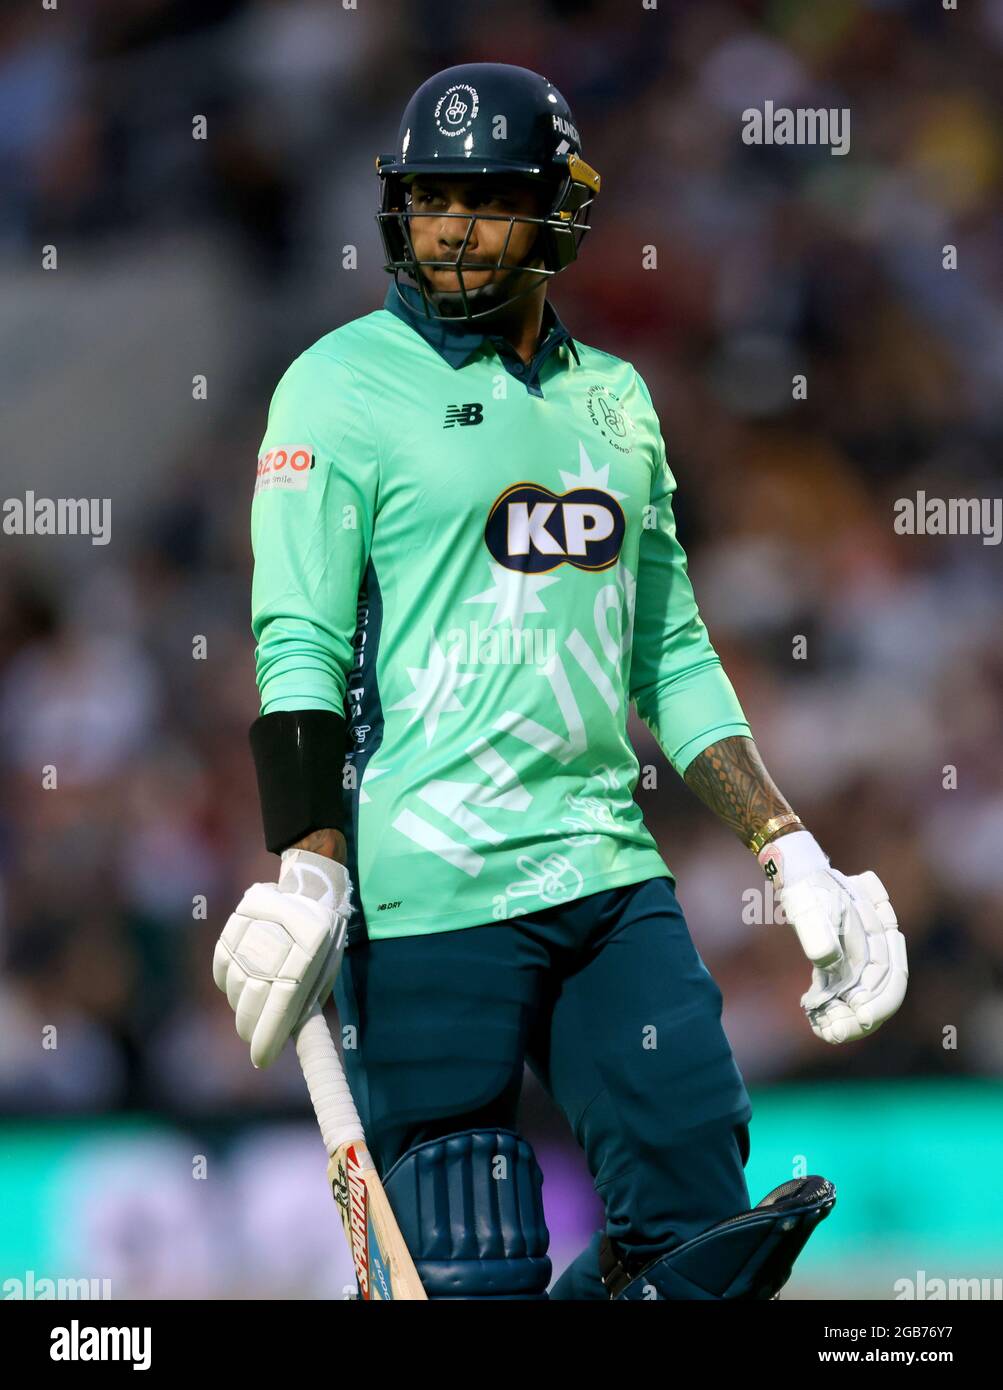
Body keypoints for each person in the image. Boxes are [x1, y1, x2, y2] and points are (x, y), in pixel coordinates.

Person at [213, 62, 907, 1300]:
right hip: (421, 896)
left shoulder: (616, 400)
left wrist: (789, 849)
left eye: (484, 200)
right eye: (429, 198)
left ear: (557, 211)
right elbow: (297, 647)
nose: (452, 228)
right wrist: (309, 860)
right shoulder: (335, 385)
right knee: (475, 1280)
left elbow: (669, 652)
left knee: (698, 1248)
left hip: (604, 877)